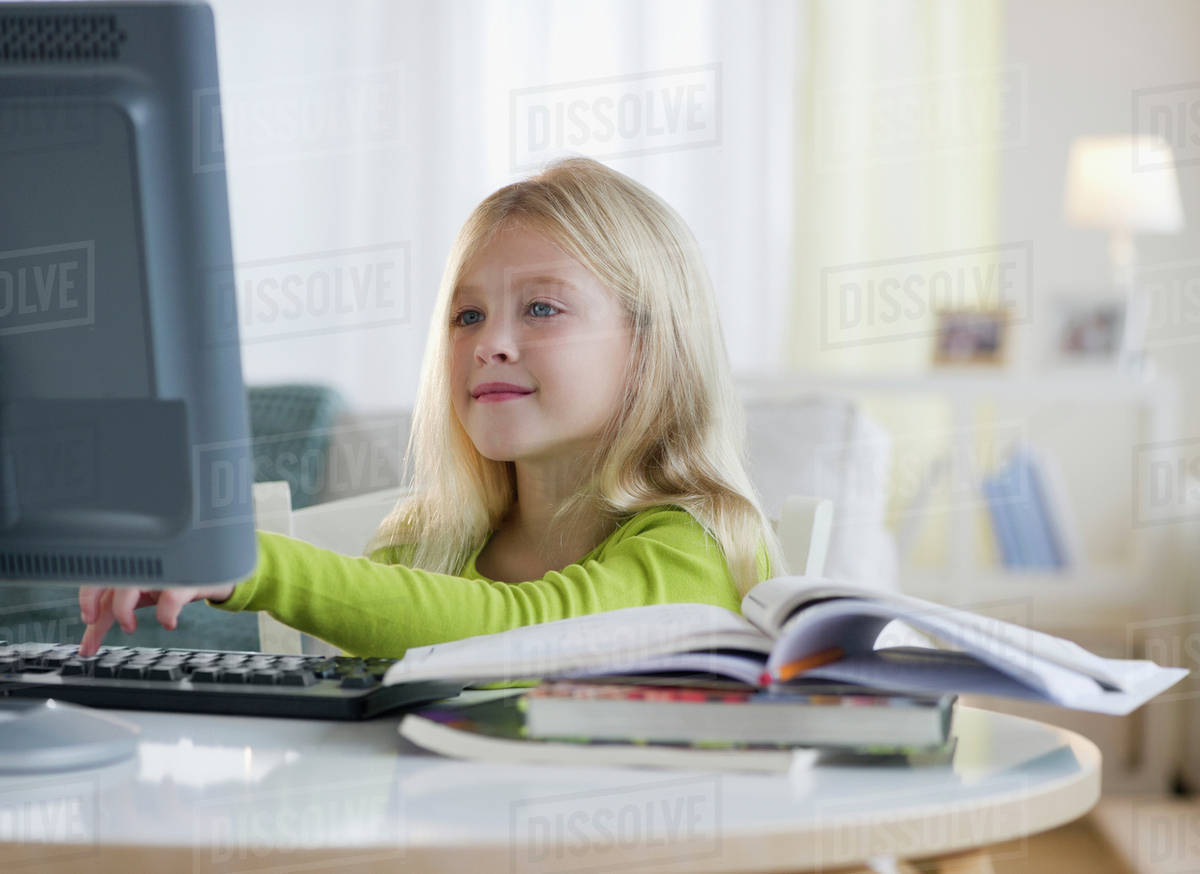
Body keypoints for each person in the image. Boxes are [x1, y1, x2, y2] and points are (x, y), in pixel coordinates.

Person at [77, 157, 785, 659]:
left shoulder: (702, 543)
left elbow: (527, 634)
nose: (490, 344)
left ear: (652, 348)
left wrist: (249, 562)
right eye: (466, 316)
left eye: (541, 308)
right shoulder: (422, 544)